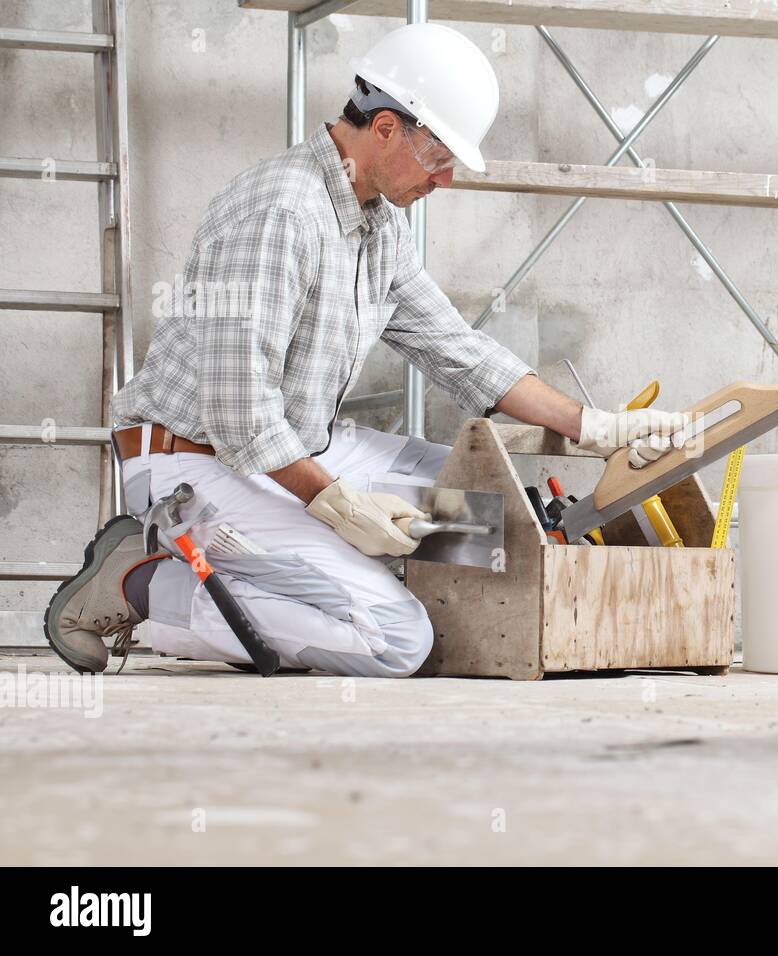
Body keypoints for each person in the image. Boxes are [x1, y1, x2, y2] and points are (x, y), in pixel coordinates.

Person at [44, 23, 687, 678]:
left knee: (490, 520)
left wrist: (595, 426)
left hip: (299, 449)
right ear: (385, 128)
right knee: (393, 640)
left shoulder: (381, 226)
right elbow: (240, 421)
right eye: (439, 157)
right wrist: (339, 506)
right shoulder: (280, 213)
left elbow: (455, 348)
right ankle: (147, 580)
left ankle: (302, 580)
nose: (447, 179)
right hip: (198, 470)